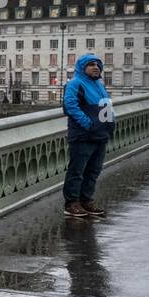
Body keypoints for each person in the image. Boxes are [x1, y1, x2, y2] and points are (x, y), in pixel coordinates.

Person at [62, 53, 114, 218]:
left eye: (98, 65)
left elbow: (106, 108)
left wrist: (111, 126)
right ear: (82, 68)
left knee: (93, 171)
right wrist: (88, 124)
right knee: (77, 170)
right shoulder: (76, 83)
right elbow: (70, 106)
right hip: (83, 136)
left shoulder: (99, 85)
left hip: (100, 135)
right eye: (91, 64)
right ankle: (71, 203)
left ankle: (86, 201)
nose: (95, 67)